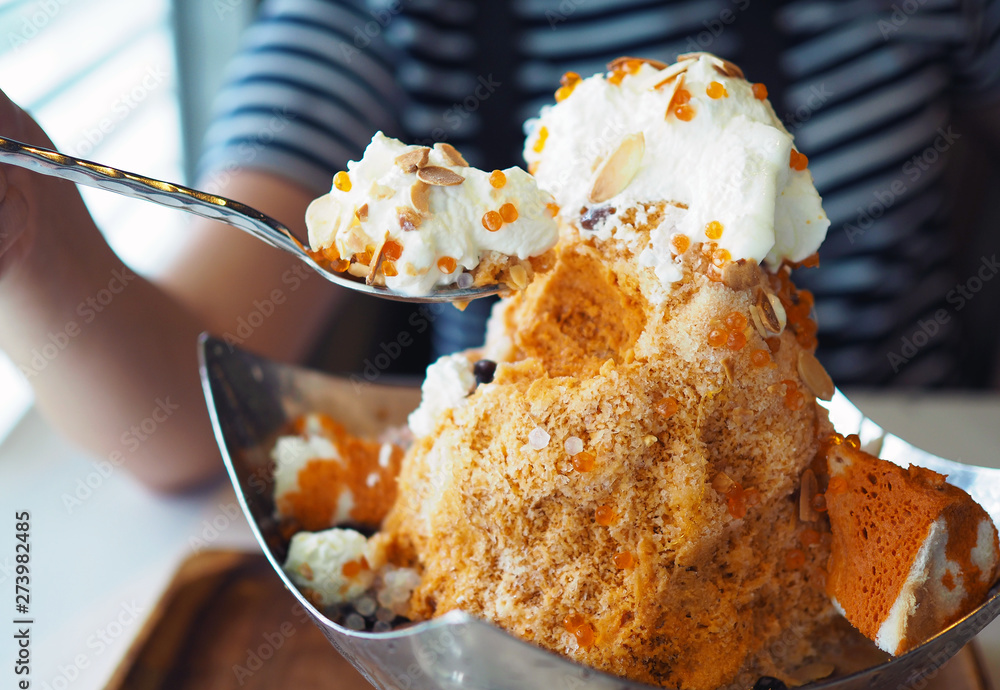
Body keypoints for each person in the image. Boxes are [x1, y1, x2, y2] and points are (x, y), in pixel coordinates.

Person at [1, 0, 998, 491]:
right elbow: (176, 408)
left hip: (901, 463)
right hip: (535, 481)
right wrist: (31, 239)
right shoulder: (378, 15)